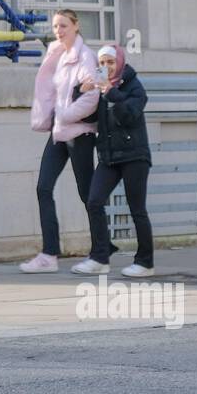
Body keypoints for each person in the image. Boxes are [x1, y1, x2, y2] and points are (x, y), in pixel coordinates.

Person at [20, 8, 101, 273]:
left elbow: (91, 98)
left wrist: (64, 115)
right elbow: (48, 93)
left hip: (79, 133)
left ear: (76, 26)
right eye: (56, 26)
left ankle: (101, 252)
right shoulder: (56, 54)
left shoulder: (85, 57)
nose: (59, 31)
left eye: (64, 26)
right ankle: (49, 254)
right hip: (58, 133)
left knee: (88, 194)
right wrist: (50, 118)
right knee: (43, 187)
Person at [70, 43, 155, 277]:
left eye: (110, 62)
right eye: (102, 63)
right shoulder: (99, 87)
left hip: (134, 155)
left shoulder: (134, 86)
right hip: (108, 157)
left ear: (120, 63)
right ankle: (100, 258)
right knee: (94, 201)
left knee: (137, 209)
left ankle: (145, 262)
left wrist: (111, 92)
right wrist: (81, 90)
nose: (106, 66)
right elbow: (86, 114)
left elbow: (130, 114)